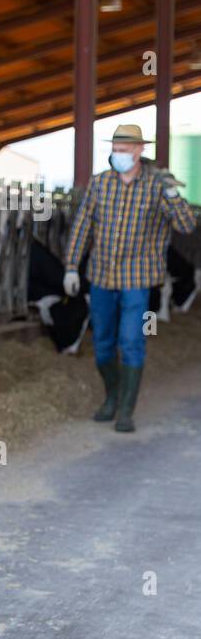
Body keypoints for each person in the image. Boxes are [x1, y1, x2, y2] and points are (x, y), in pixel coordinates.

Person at [63, 124, 196, 432]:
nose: (118, 155)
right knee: (103, 341)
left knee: (131, 340)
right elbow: (83, 226)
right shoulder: (100, 184)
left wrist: (173, 193)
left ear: (139, 151)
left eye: (124, 150)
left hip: (138, 278)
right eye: (115, 149)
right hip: (101, 275)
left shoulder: (156, 186)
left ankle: (125, 409)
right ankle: (112, 395)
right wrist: (71, 266)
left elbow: (187, 226)